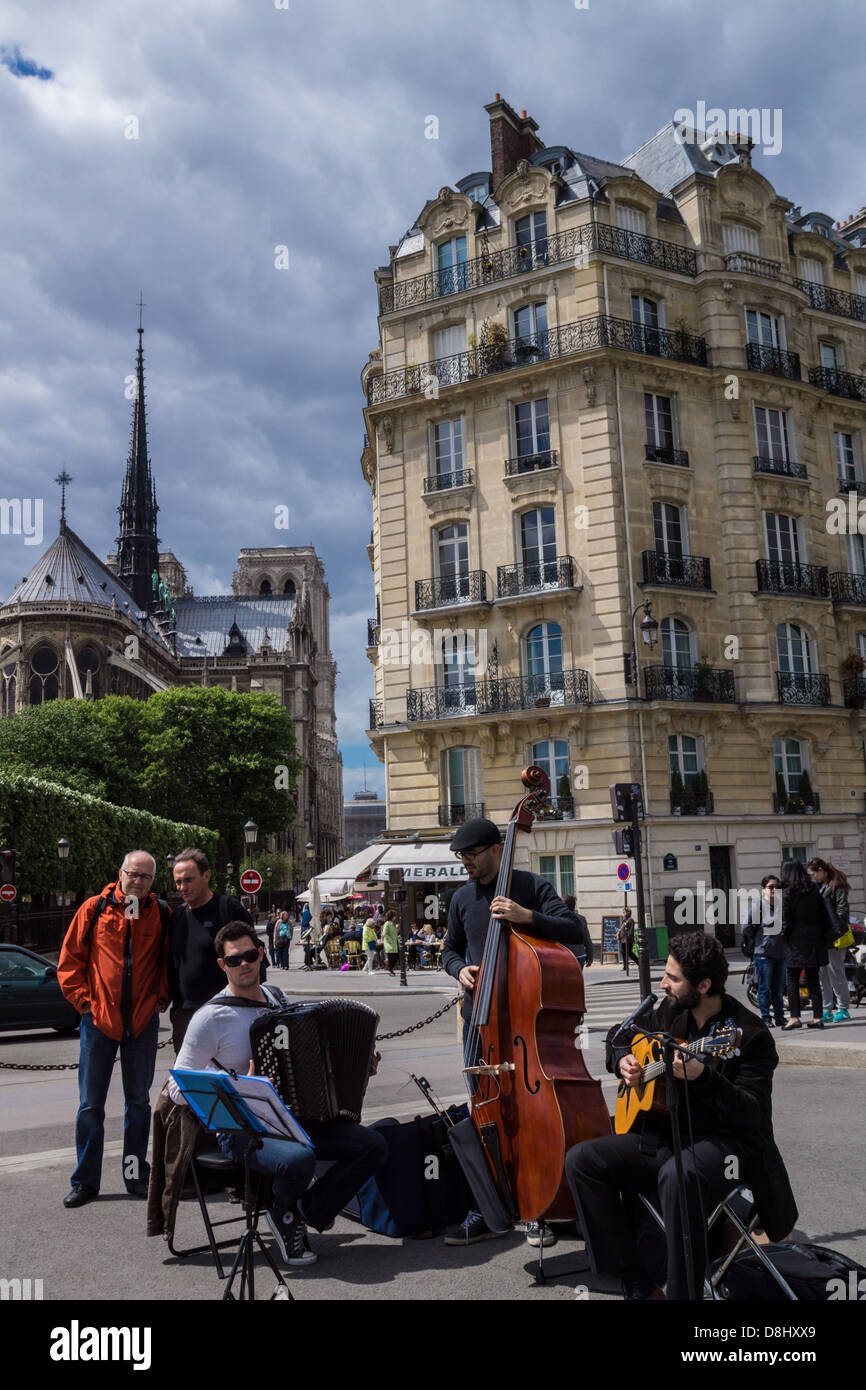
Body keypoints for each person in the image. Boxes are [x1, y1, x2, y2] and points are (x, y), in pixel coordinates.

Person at [565, 930, 797, 1300]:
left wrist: (704, 1077)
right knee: (583, 1161)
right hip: (668, 1136)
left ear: (703, 985)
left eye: (673, 977)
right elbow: (618, 1036)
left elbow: (752, 1115)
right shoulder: (670, 1011)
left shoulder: (749, 1035)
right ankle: (637, 1282)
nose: (663, 983)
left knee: (678, 1176)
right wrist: (621, 1060)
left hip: (729, 1149)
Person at [169, 922, 388, 1266]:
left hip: (294, 1118)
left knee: (373, 1146)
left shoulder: (278, 999)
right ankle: (286, 1219)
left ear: (261, 953)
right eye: (234, 959)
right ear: (221, 965)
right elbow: (176, 1088)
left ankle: (303, 1210)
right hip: (243, 1130)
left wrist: (359, 1066)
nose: (244, 964)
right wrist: (239, 1087)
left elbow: (317, 1057)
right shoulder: (210, 1017)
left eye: (250, 955)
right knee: (299, 1157)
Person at [441, 816, 590, 1249]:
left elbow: (575, 929)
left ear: (494, 849)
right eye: (461, 856)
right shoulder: (461, 899)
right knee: (485, 1113)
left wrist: (527, 916)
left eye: (471, 854)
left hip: (527, 1025)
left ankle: (541, 1202)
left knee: (535, 1115)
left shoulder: (530, 886)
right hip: (480, 1020)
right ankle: (489, 1206)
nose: (465, 862)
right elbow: (450, 949)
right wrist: (459, 969)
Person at [57, 850, 171, 1208]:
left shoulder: (161, 913)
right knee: (91, 1106)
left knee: (138, 1104)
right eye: (133, 874)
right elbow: (70, 962)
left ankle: (135, 1175)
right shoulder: (93, 908)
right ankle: (86, 1182)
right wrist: (86, 1005)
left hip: (141, 1021)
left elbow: (167, 964)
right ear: (120, 873)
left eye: (145, 877)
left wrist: (159, 1000)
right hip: (99, 1021)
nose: (138, 881)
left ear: (153, 881)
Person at [169, 848, 256, 1051]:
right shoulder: (176, 917)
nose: (183, 887)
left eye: (188, 880)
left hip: (228, 1011)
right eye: (178, 882)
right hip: (186, 1016)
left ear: (206, 875)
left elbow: (254, 961)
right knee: (191, 1081)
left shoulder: (229, 910)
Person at [780, 858, 831, 1030]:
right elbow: (824, 916)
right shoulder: (813, 890)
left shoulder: (787, 893)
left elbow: (786, 922)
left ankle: (794, 1017)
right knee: (813, 979)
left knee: (792, 979)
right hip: (815, 941)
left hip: (795, 943)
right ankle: (817, 1017)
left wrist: (783, 938)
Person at [807, 857, 853, 1023]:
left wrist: (833, 930)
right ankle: (827, 1009)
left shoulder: (836, 885)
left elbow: (842, 911)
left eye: (813, 874)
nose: (812, 878)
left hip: (834, 939)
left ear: (821, 870)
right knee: (823, 976)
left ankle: (843, 1008)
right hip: (821, 939)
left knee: (836, 975)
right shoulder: (819, 886)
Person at [741, 875, 786, 1028]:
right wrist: (758, 939)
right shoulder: (758, 906)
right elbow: (746, 927)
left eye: (777, 887)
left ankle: (780, 1017)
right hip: (763, 955)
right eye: (771, 887)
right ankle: (766, 1018)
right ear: (763, 889)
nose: (774, 890)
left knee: (778, 990)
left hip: (781, 954)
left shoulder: (782, 906)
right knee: (765, 989)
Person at [564, 895, 594, 971]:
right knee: (577, 979)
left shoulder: (557, 918)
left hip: (564, 955)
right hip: (579, 955)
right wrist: (590, 957)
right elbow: (587, 939)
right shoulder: (581, 919)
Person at [617, 908, 636, 974]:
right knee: (624, 953)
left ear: (628, 912)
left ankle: (639, 963)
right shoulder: (624, 920)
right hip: (623, 940)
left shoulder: (631, 920)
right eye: (623, 912)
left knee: (629, 953)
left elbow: (630, 931)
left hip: (628, 940)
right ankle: (625, 966)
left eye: (624, 912)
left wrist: (627, 938)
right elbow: (622, 929)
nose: (623, 914)